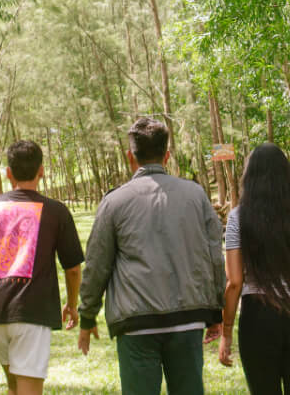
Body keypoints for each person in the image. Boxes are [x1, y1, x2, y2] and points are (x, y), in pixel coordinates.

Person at [77, 117, 225, 395]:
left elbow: (97, 265)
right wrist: (216, 310)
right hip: (188, 318)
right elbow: (214, 255)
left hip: (136, 323)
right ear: (167, 155)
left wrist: (87, 315)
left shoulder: (114, 202)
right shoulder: (196, 195)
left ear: (130, 156)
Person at [0, 140, 85, 395]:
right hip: (32, 313)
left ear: (8, 173)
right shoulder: (56, 211)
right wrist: (72, 304)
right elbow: (73, 269)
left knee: (14, 387)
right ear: (41, 171)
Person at [217, 143, 290, 395]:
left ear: (249, 178)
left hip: (259, 318)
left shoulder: (238, 217)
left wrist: (226, 331)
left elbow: (234, 282)